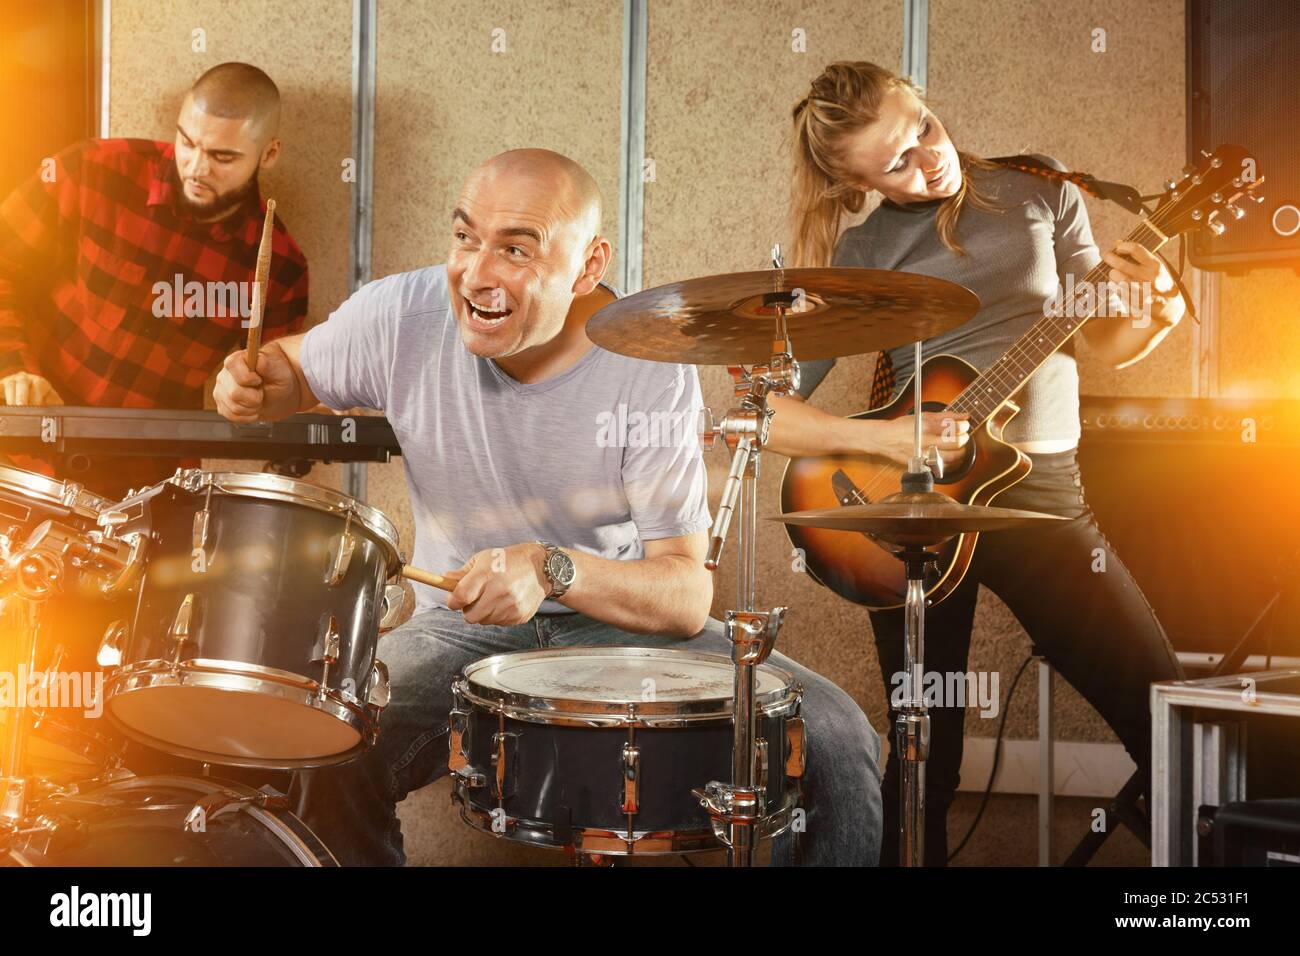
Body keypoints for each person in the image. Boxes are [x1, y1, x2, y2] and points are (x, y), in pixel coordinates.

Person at [213, 147, 883, 866]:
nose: (476, 273)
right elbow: (292, 366)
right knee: (329, 740)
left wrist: (548, 568)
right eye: (466, 237)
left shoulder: (650, 363)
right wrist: (254, 383)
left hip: (620, 626)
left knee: (840, 743)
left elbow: (686, 594)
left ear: (589, 266)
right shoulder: (402, 315)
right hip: (456, 628)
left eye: (516, 250)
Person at [765, 61, 1185, 865]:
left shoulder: (1040, 191)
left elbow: (1102, 337)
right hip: (909, 509)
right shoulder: (861, 254)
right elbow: (767, 413)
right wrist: (888, 443)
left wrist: (1156, 310)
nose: (931, 157)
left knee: (1163, 713)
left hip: (1043, 495)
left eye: (923, 125)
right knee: (927, 755)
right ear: (851, 183)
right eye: (895, 162)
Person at [0, 61, 307, 497]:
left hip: (145, 492)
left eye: (223, 156)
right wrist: (12, 365)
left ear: (269, 153)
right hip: (20, 453)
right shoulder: (93, 171)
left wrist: (277, 395)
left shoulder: (280, 268)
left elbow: (273, 389)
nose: (197, 167)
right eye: (187, 142)